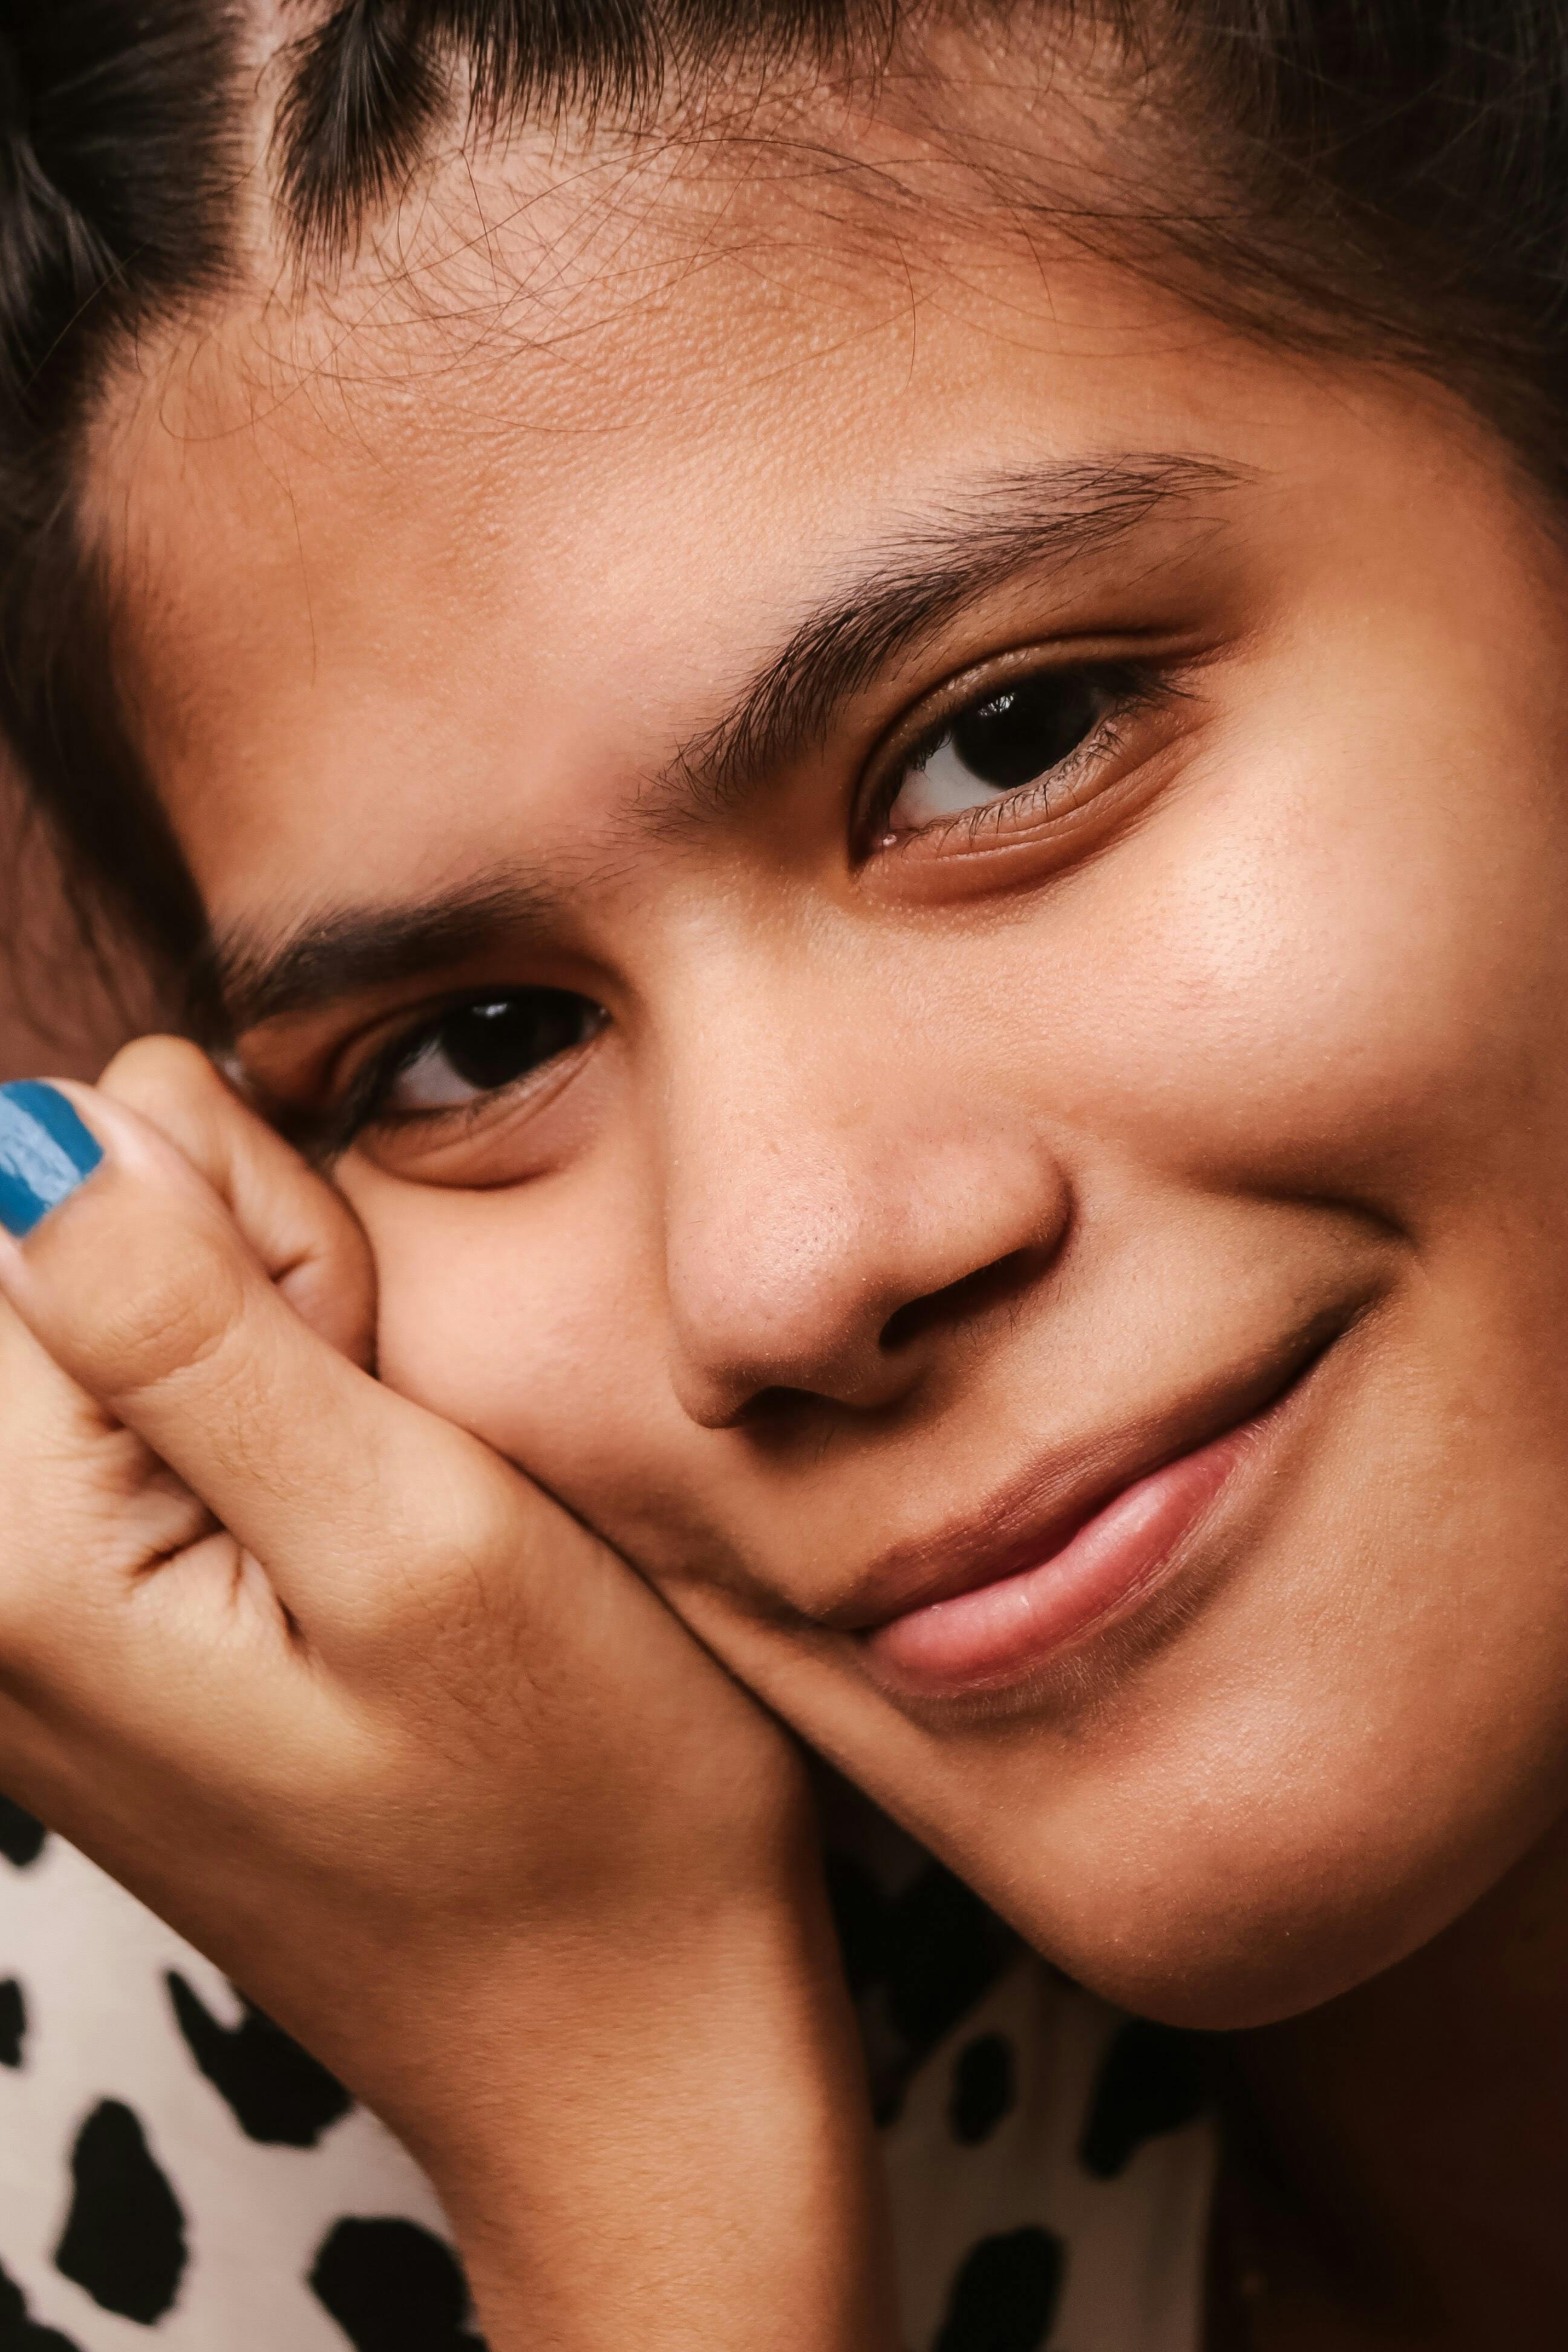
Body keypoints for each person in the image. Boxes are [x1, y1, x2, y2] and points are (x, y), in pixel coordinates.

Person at [1, 0, 1567, 2344]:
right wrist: (634, 2158)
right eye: (477, 1046)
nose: (785, 1264)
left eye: (1005, 741)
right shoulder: (313, 1960)